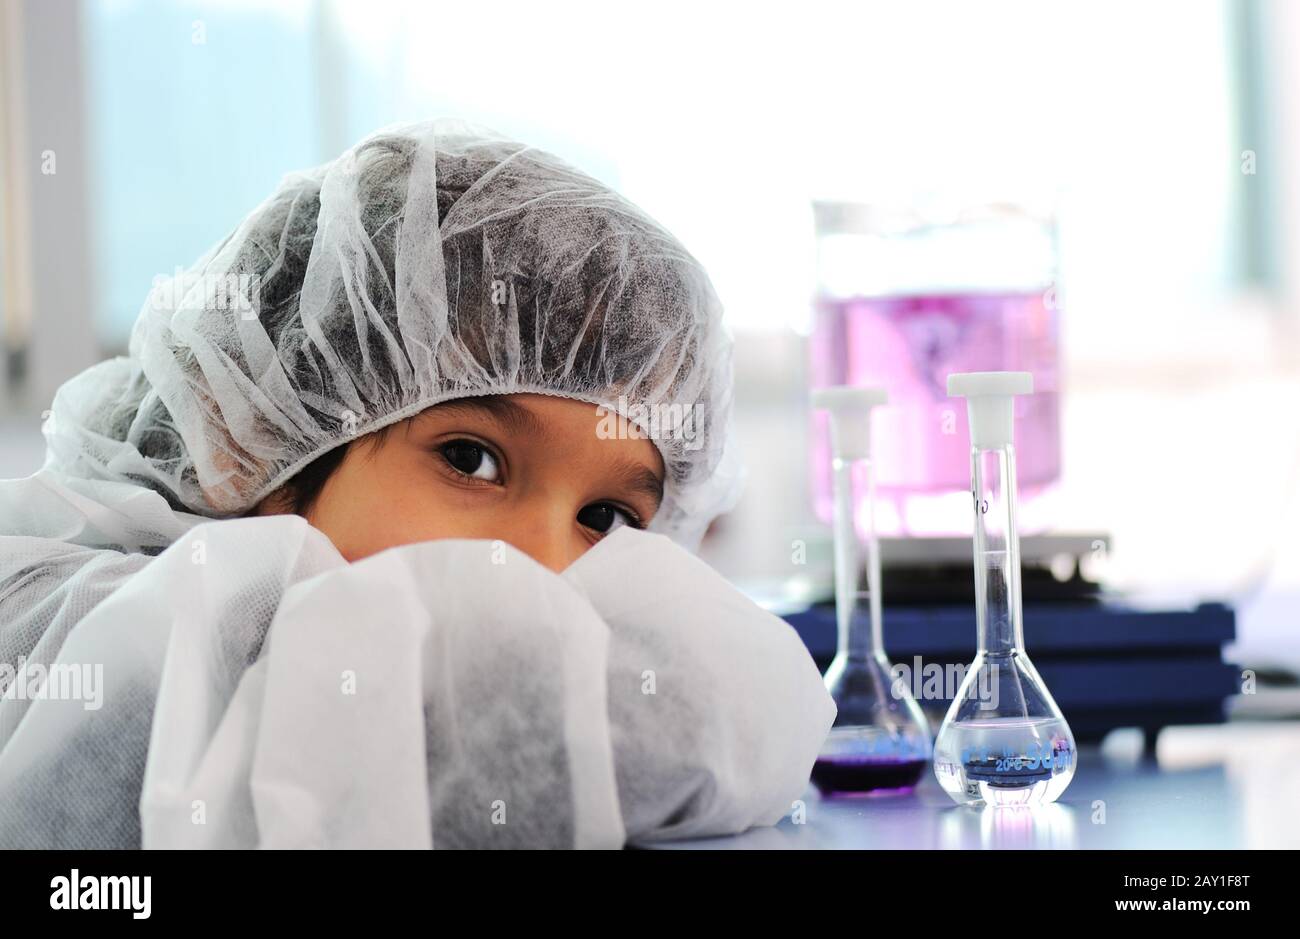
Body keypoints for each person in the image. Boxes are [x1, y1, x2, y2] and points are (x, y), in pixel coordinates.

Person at [0, 120, 832, 848]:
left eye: (607, 517)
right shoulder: (101, 636)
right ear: (253, 444)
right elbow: (745, 700)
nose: (544, 565)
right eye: (471, 459)